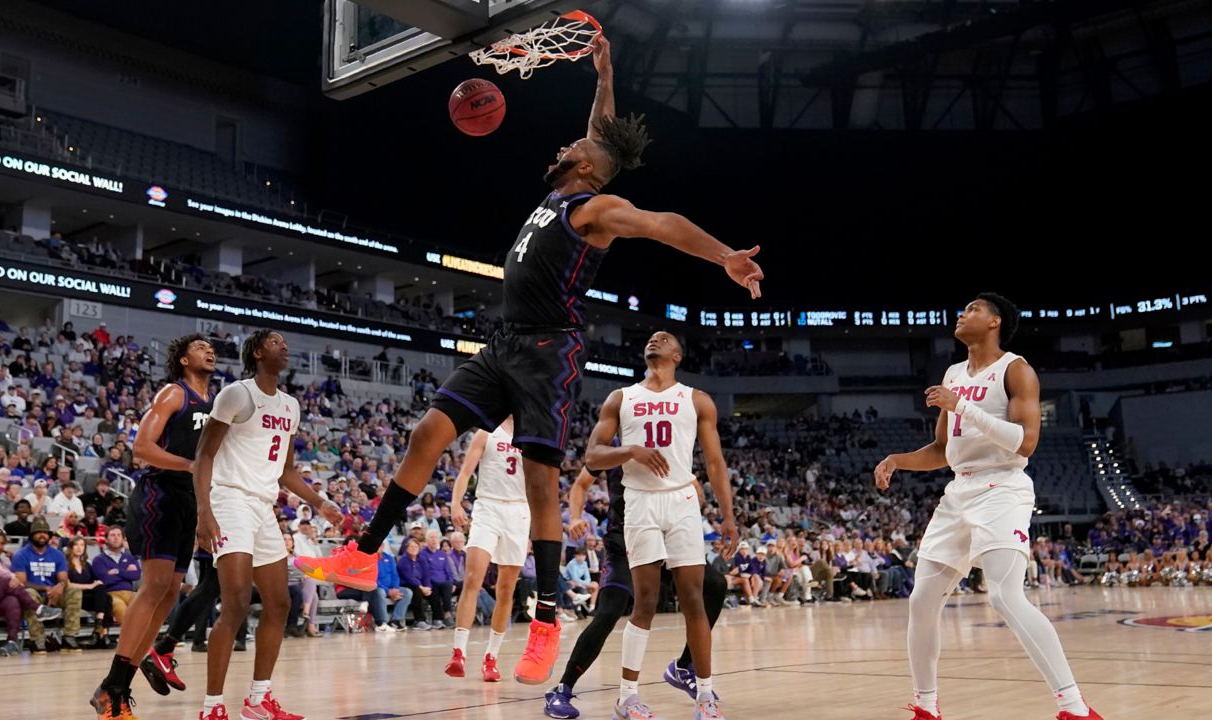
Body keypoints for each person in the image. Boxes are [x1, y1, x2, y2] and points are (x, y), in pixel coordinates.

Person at [294, 33, 764, 685]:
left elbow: (663, 221)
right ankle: (364, 552)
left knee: (542, 482)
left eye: (572, 150)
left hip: (551, 349)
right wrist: (603, 74)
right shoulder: (563, 192)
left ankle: (544, 620)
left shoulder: (598, 207)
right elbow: (599, 131)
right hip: (506, 341)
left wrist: (724, 257)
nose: (562, 147)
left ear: (588, 169)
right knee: (428, 432)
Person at [875, 294, 1105, 720]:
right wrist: (897, 460)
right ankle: (926, 707)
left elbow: (1026, 442)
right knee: (921, 600)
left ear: (995, 321)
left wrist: (961, 405)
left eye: (972, 309)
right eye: (962, 309)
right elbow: (944, 449)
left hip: (1003, 487)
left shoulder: (1015, 370)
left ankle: (1074, 706)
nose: (962, 314)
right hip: (959, 490)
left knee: (1004, 595)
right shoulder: (952, 373)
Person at [582, 331, 737, 719]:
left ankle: (705, 696)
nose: (656, 339)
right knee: (646, 601)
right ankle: (627, 697)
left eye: (665, 338)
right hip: (639, 501)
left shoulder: (696, 399)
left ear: (677, 354)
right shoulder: (621, 398)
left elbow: (715, 464)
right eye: (651, 338)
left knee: (694, 600)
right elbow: (593, 456)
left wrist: (729, 516)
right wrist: (630, 449)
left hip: (682, 500)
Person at [192, 330, 342, 720]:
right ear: (258, 352)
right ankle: (212, 707)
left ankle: (258, 700)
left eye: (285, 343)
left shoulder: (291, 405)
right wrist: (204, 512)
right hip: (229, 500)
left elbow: (287, 472)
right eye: (276, 342)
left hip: (263, 507)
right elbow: (204, 456)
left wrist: (320, 502)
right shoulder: (236, 394)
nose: (285, 346)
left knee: (280, 603)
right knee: (237, 602)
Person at [91, 335, 217, 720]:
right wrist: (192, 466)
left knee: (170, 594)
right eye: (199, 346)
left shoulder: (214, 404)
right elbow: (141, 448)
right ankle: (111, 688)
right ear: (182, 359)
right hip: (158, 493)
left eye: (211, 346)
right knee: (155, 588)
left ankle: (119, 685)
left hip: (188, 501)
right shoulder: (173, 394)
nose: (209, 350)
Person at [445, 416, 529, 681]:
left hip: (519, 510)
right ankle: (458, 651)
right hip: (488, 507)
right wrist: (456, 504)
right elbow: (465, 472)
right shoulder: (486, 432)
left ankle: (491, 657)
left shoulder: (533, 434)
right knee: (473, 578)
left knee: (506, 589)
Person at [0, 528, 60, 655]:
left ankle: (11, 641)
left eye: (1, 544)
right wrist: (13, 578)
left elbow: (11, 573)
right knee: (7, 581)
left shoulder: (2, 560)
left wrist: (13, 559)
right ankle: (38, 609)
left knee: (12, 601)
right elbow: (0, 574)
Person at [12, 516, 82, 653]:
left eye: (45, 532)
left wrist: (59, 587)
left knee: (74, 591)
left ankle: (69, 637)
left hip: (55, 594)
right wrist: (46, 588)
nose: (42, 535)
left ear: (49, 536)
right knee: (29, 594)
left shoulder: (57, 554)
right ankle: (38, 640)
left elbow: (63, 577)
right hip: (36, 593)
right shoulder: (21, 555)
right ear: (31, 535)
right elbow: (22, 582)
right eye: (38, 532)